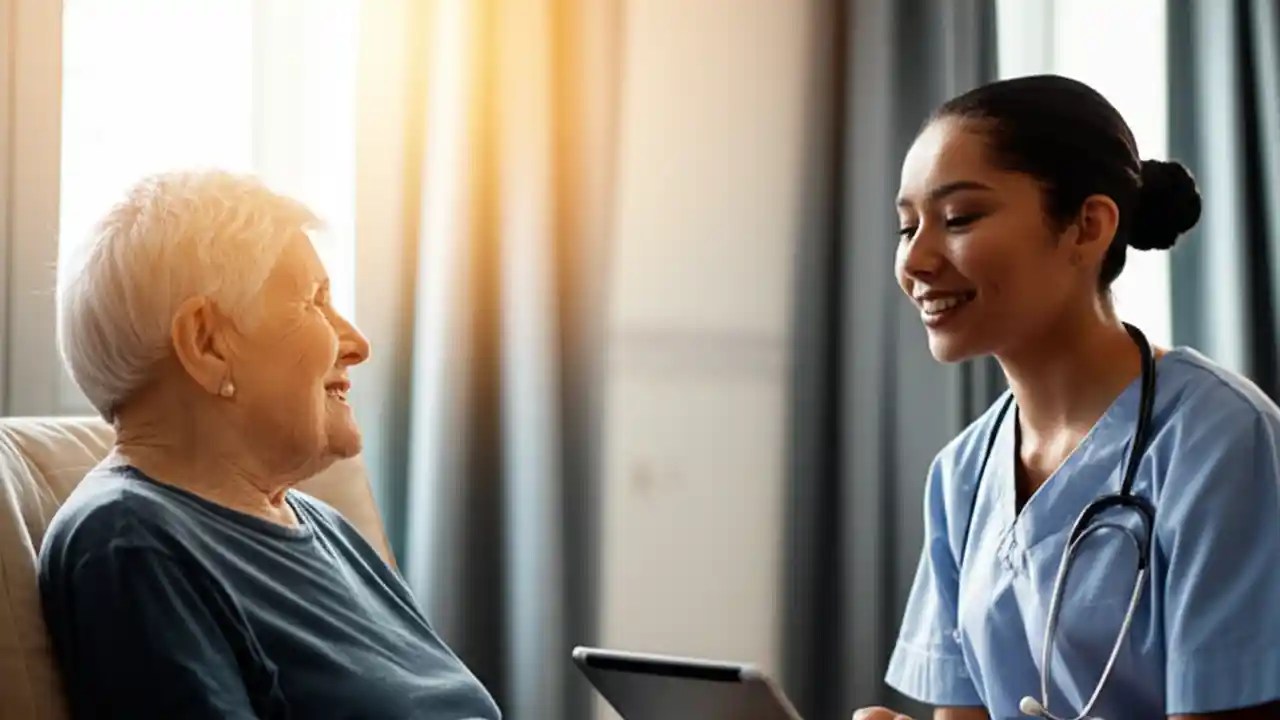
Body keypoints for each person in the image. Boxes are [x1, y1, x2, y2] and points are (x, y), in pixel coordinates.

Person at [853, 75, 1280, 719]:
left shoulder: (1221, 442)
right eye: (906, 227)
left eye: (959, 218)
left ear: (1088, 226)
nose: (916, 260)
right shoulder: (962, 475)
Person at [39, 171, 502, 719]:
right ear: (207, 343)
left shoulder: (324, 526)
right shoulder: (130, 541)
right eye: (315, 302)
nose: (356, 343)